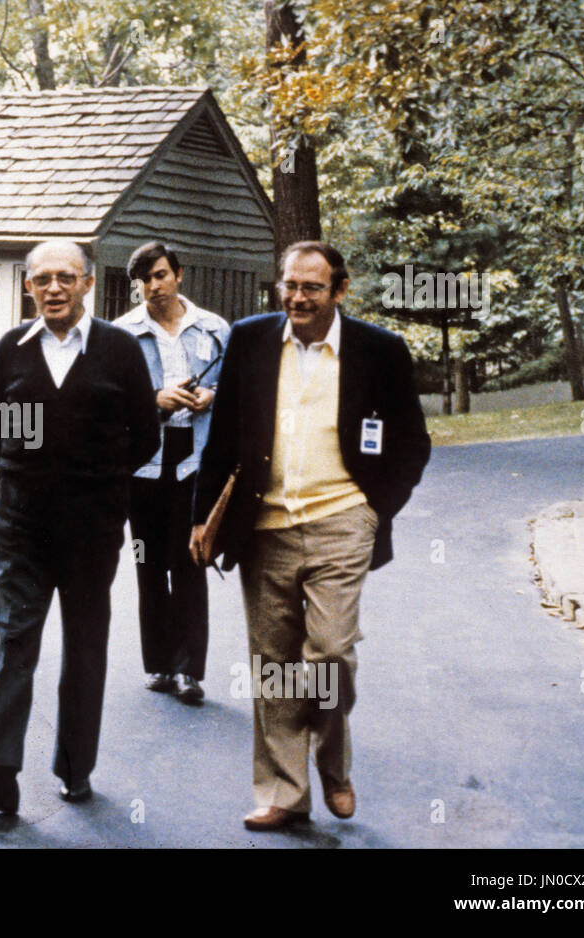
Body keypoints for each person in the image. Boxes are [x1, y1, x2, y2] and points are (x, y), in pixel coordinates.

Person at [189, 241, 430, 831]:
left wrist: (376, 511)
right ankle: (284, 793)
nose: (297, 297)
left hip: (342, 520)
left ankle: (332, 762)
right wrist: (201, 517)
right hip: (264, 523)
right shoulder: (249, 339)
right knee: (272, 665)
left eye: (312, 288)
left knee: (328, 655)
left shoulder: (379, 351)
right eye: (289, 286)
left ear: (340, 291)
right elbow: (220, 440)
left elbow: (412, 443)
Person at [0, 240, 160, 812]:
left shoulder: (118, 349)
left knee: (85, 646)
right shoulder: (15, 348)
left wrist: (102, 485)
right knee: (15, 640)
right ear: (28, 287)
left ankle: (74, 768)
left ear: (88, 284)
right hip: (22, 523)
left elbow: (146, 436)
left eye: (65, 277)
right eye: (41, 279)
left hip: (92, 529)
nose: (53, 288)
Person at [113, 242, 230, 704]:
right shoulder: (121, 334)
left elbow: (236, 384)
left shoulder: (214, 329)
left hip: (193, 457)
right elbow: (108, 398)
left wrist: (211, 395)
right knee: (146, 562)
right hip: (143, 461)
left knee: (189, 560)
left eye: (160, 275)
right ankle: (158, 664)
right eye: (143, 279)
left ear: (179, 275)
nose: (152, 286)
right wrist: (153, 401)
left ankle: (189, 671)